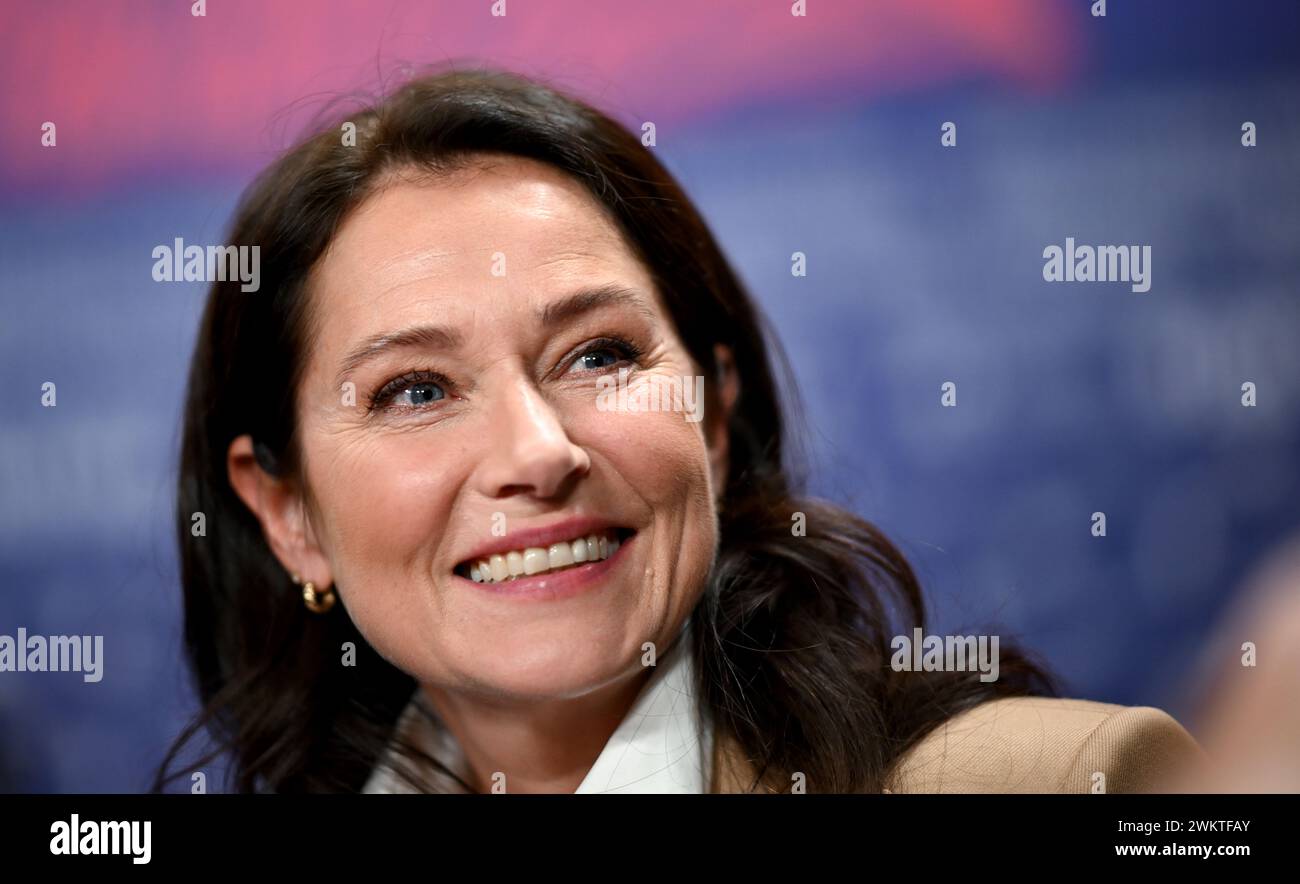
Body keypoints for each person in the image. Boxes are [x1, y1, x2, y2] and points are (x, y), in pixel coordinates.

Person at [153, 67, 1201, 794]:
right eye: (416, 390)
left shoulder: (1072, 780)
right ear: (288, 514)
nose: (537, 452)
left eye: (599, 355)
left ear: (711, 411)